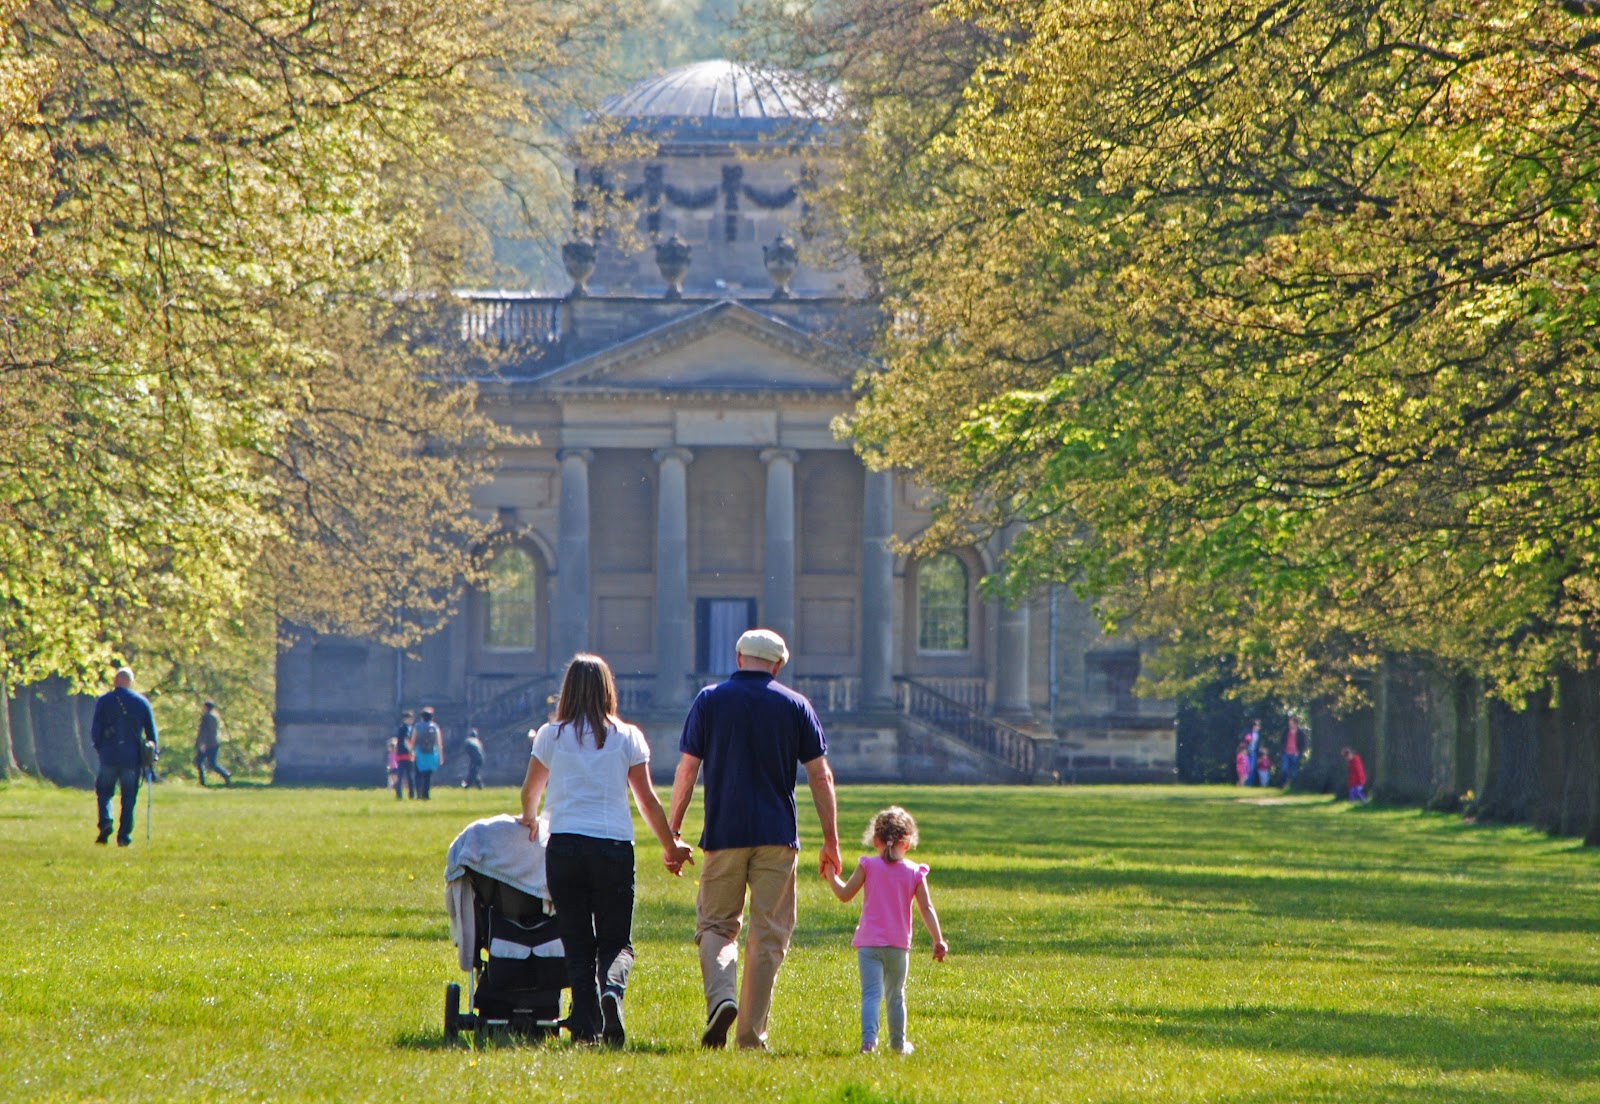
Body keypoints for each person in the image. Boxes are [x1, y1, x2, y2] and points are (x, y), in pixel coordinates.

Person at [667, 627, 842, 1051]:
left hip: (724, 833)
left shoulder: (709, 700)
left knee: (716, 925)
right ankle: (750, 1036)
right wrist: (831, 841)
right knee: (768, 935)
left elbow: (687, 770)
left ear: (739, 658)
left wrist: (672, 831)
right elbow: (820, 776)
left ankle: (722, 998)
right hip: (777, 835)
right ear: (778, 666)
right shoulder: (796, 705)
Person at [518, 654, 694, 1046]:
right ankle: (612, 990)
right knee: (616, 941)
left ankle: (585, 1027)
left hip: (565, 846)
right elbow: (647, 801)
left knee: (577, 941)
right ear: (607, 690)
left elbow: (531, 791)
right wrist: (670, 846)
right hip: (613, 846)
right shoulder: (628, 736)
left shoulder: (550, 735)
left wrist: (530, 818)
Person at [823, 806, 947, 1055]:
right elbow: (926, 908)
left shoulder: (868, 866)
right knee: (896, 996)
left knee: (871, 994)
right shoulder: (915, 872)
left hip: (869, 945)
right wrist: (938, 940)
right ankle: (898, 1044)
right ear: (907, 843)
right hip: (898, 946)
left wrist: (830, 875)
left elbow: (845, 894)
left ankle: (868, 1043)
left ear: (875, 840)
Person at [88, 667, 159, 846]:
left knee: (104, 792)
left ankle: (106, 821)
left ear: (116, 681)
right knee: (128, 798)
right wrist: (152, 753)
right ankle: (124, 836)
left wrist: (100, 746)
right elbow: (151, 733)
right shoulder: (141, 702)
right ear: (130, 682)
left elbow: (96, 729)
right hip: (131, 757)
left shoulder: (104, 701)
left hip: (109, 755)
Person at [193, 699, 231, 787]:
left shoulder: (206, 717)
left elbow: (204, 731)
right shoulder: (215, 716)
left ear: (206, 707)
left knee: (199, 761)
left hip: (207, 744)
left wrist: (202, 743)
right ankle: (225, 774)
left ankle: (202, 782)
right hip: (215, 742)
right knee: (212, 764)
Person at [412, 707, 443, 800]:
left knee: (418, 774)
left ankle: (418, 793)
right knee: (427, 775)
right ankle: (426, 794)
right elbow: (439, 743)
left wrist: (411, 752)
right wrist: (441, 756)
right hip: (431, 753)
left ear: (422, 717)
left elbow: (413, 740)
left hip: (419, 753)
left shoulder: (417, 726)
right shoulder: (435, 727)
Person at [393, 710, 416, 800]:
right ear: (406, 719)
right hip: (407, 755)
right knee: (409, 776)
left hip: (400, 755)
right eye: (410, 718)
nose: (412, 720)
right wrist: (411, 751)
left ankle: (399, 794)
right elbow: (406, 740)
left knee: (400, 775)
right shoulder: (407, 728)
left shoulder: (400, 728)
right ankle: (411, 794)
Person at [1281, 715, 1304, 788]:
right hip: (1286, 753)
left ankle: (1293, 786)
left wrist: (1300, 752)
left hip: (1295, 754)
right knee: (1284, 769)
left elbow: (1303, 743)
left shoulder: (1300, 732)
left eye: (1291, 723)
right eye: (1289, 723)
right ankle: (1284, 784)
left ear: (1295, 723)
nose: (1290, 724)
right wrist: (1282, 749)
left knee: (1294, 772)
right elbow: (1282, 741)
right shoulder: (1286, 731)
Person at [1242, 720, 1262, 786]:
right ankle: (1244, 783)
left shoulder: (1258, 735)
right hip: (1246, 753)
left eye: (1258, 726)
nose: (1258, 727)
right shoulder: (1248, 732)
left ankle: (1249, 784)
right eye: (1256, 725)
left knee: (1252, 769)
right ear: (1253, 726)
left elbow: (1258, 746)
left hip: (1253, 753)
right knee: (1245, 768)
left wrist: (1259, 755)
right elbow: (1243, 741)